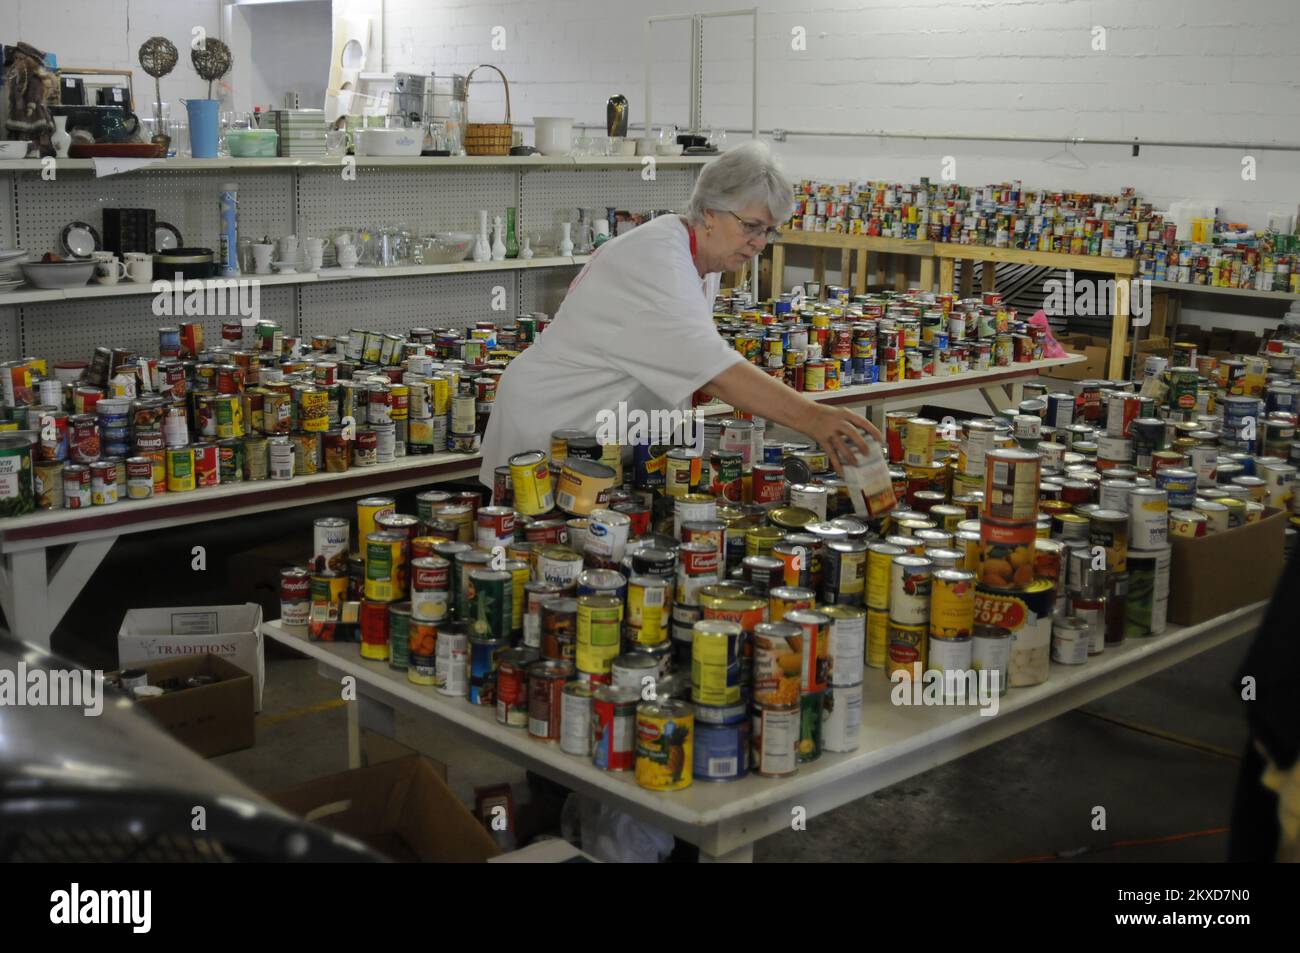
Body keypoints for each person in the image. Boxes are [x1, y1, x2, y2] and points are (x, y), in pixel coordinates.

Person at [479, 140, 881, 489]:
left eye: (769, 232)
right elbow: (713, 369)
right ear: (709, 211)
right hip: (552, 424)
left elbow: (684, 355)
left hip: (601, 432)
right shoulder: (658, 261)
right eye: (751, 227)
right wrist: (812, 418)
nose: (759, 243)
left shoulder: (696, 256)